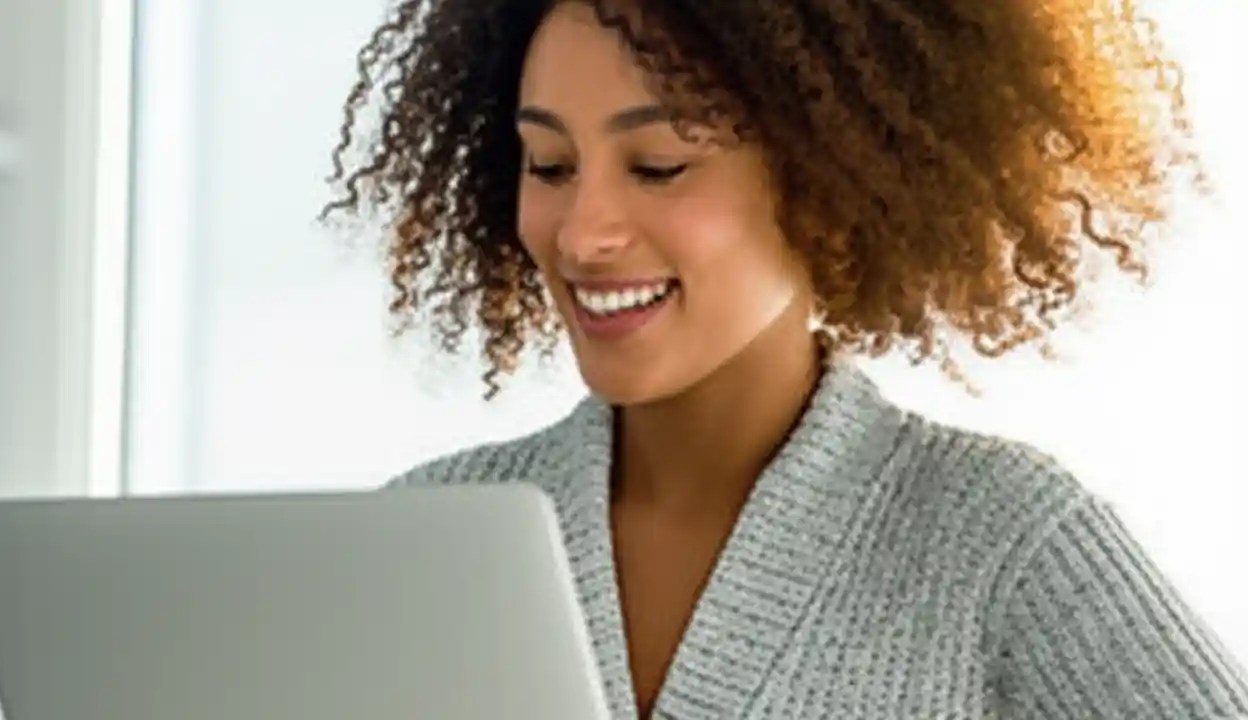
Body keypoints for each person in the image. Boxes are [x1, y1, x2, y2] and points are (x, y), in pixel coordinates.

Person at [322, 0, 1248, 717]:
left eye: (658, 166)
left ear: (833, 176)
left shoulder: (999, 543)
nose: (584, 233)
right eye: (549, 165)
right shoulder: (424, 539)